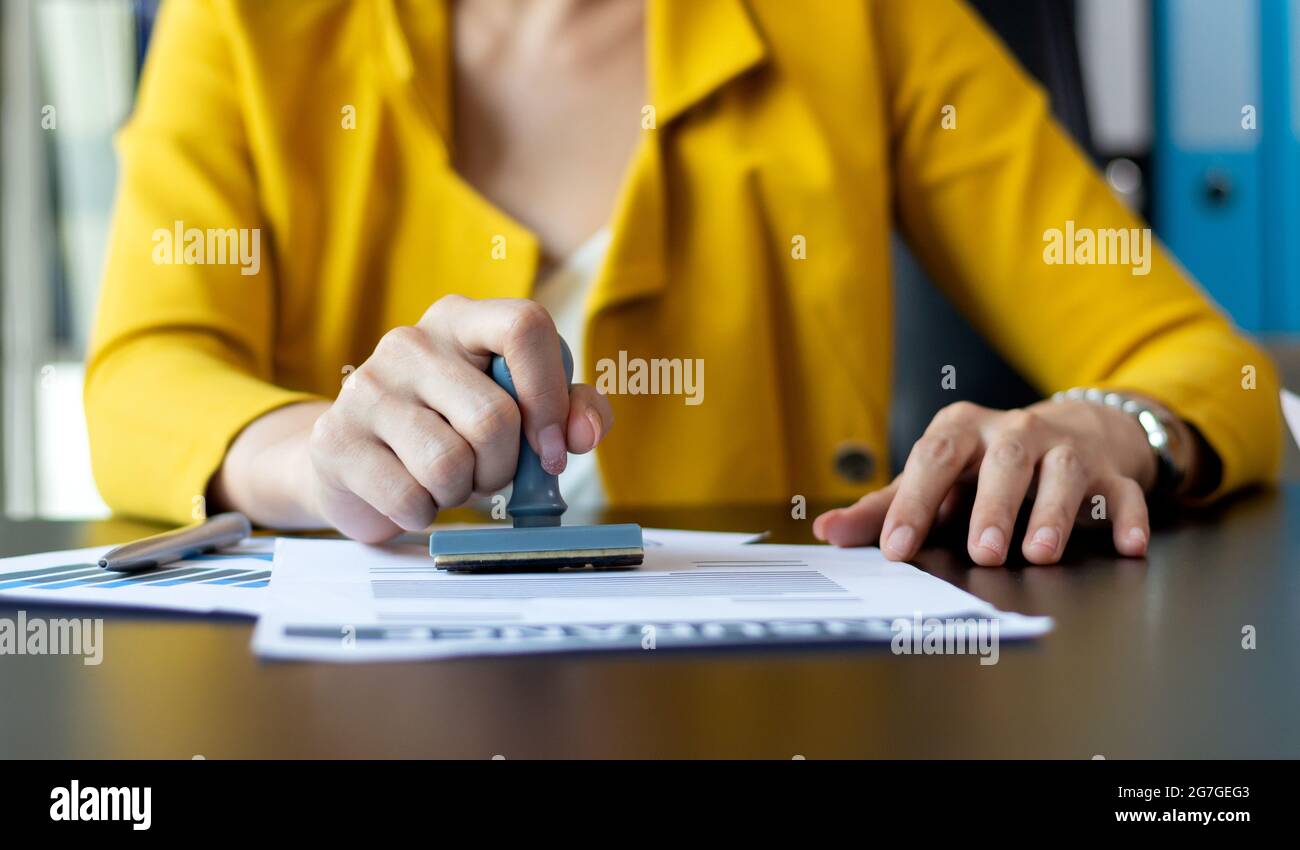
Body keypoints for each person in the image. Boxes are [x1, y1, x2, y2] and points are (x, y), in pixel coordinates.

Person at [86, 0, 1281, 567]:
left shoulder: (862, 22)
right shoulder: (245, 29)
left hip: (780, 720)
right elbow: (141, 373)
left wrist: (1110, 425)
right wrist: (313, 453)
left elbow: (1209, 367)